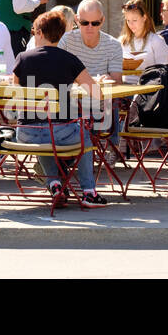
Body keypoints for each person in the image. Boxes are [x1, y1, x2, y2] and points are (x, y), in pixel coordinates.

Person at [11, 11, 107, 208]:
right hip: (60, 131)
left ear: (38, 33)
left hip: (26, 133)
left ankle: (54, 183)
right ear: (61, 34)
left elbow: (15, 97)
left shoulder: (22, 58)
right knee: (84, 135)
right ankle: (89, 192)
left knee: (43, 133)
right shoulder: (69, 59)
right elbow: (97, 94)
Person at [59, 0, 124, 81]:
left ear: (102, 21)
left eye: (95, 23)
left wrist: (110, 80)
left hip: (102, 93)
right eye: (84, 23)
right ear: (76, 20)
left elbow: (117, 83)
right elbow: (59, 75)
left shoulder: (114, 45)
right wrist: (94, 80)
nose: (90, 27)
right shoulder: (67, 41)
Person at [119, 0, 168, 71]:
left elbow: (163, 71)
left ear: (144, 18)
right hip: (124, 81)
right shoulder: (122, 41)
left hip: (149, 81)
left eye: (134, 20)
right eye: (128, 20)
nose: (131, 24)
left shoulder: (157, 41)